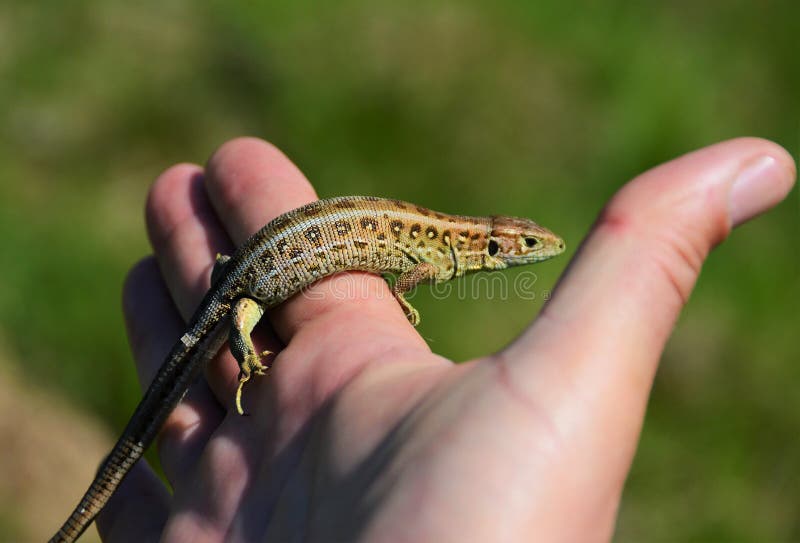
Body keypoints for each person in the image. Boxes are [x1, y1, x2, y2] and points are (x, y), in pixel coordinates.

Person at [97, 137, 795, 541]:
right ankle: (240, 354)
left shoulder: (447, 245)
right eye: (524, 246)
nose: (534, 252)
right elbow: (405, 278)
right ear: (495, 246)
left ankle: (227, 354)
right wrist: (391, 306)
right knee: (224, 331)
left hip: (250, 282)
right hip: (253, 283)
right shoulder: (439, 254)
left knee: (227, 322)